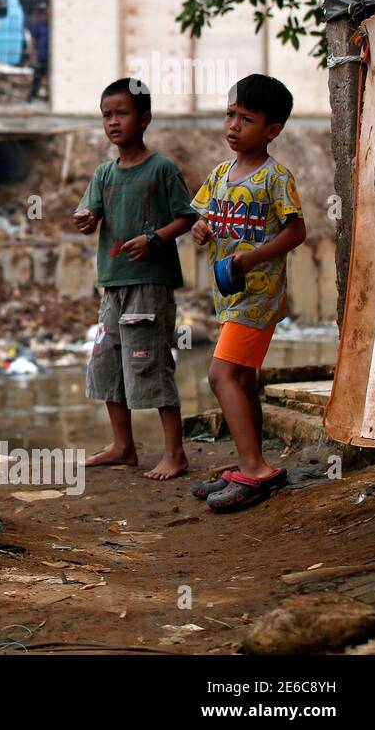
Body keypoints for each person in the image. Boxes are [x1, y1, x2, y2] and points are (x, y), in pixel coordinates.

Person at [188, 74, 306, 512]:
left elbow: (297, 231)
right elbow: (206, 218)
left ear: (272, 130)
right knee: (242, 379)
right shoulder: (220, 174)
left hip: (259, 295)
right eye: (230, 115)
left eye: (247, 119)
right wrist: (203, 229)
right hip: (229, 296)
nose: (233, 125)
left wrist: (253, 258)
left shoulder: (276, 177)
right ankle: (252, 463)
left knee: (220, 376)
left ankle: (254, 469)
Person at [72, 78, 198, 480]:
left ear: (144, 119)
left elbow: (186, 216)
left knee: (151, 363)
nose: (113, 122)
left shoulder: (161, 168)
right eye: (106, 115)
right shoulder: (104, 174)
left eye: (121, 114)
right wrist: (86, 219)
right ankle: (123, 446)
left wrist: (153, 239)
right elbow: (90, 218)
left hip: (150, 284)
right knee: (107, 364)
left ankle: (175, 453)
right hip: (113, 285)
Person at [27, 3, 49, 101]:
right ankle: (31, 96)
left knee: (50, 80)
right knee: (37, 78)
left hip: (50, 59)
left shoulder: (53, 27)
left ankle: (48, 97)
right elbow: (33, 40)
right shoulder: (40, 26)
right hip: (41, 57)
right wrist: (32, 54)